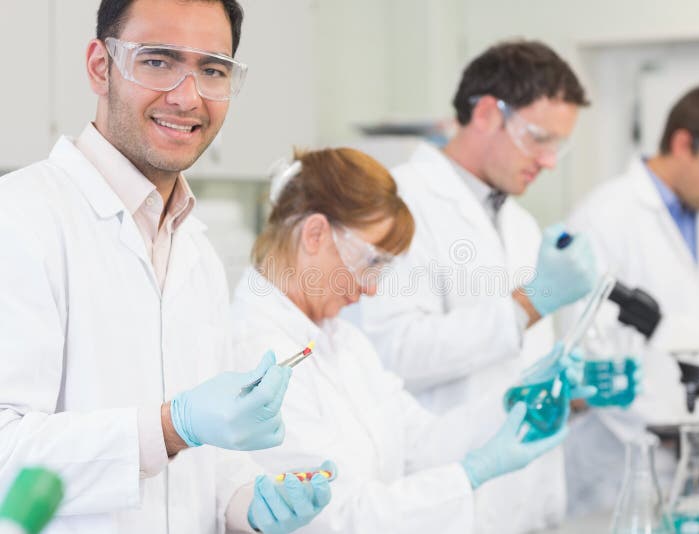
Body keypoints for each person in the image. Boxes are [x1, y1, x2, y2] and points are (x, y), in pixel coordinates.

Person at [0, 1, 330, 532]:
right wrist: (171, 428)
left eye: (213, 69)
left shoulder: (198, 249)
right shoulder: (18, 219)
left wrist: (250, 505)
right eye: (157, 61)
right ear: (99, 66)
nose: (187, 96)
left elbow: (207, 462)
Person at [230, 147, 577, 533]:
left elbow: (418, 441)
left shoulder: (342, 341)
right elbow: (338, 515)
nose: (373, 289)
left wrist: (513, 402)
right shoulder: (254, 354)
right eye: (372, 263)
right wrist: (469, 477)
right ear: (314, 234)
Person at [358, 40, 596, 531]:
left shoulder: (523, 224)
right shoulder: (400, 204)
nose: (549, 161)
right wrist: (528, 305)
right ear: (487, 113)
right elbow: (391, 353)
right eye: (539, 138)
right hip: (444, 497)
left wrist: (568, 386)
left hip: (522, 503)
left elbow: (512, 367)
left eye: (559, 145)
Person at [562, 84, 699, 515]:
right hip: (621, 463)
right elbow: (585, 348)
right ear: (681, 143)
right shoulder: (605, 216)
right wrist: (673, 427)